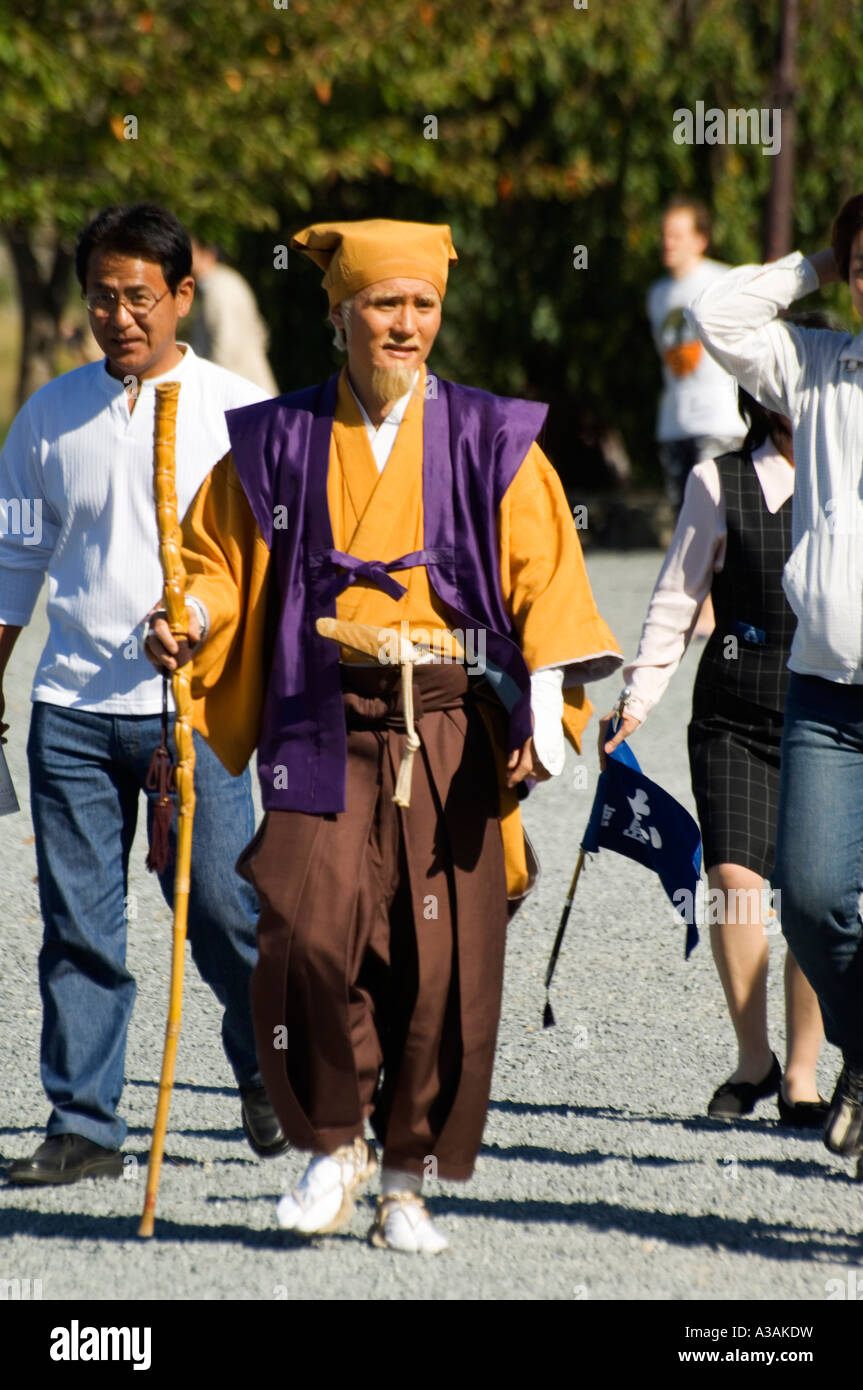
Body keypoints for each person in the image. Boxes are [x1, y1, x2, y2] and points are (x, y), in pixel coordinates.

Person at [146, 217, 622, 1251]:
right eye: (382, 305)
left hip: (447, 726)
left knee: (438, 958)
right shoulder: (276, 440)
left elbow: (547, 586)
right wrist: (188, 618)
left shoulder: (490, 437)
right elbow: (217, 565)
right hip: (321, 716)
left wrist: (542, 710)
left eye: (421, 306)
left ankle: (403, 1175)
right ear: (338, 315)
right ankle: (332, 1142)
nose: (404, 325)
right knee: (303, 932)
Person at [0, 204, 286, 1186]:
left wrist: (211, 632)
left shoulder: (241, 412)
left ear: (181, 297)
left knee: (223, 910)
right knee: (79, 923)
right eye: (101, 299)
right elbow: (14, 561)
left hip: (194, 712)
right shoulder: (48, 414)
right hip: (72, 709)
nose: (120, 317)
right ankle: (84, 1125)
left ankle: (267, 1074)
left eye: (138, 297)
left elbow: (269, 570)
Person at [689, 191, 863, 1159]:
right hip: (824, 689)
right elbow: (716, 317)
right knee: (806, 896)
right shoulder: (817, 365)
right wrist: (820, 266)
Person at [600, 379, 826, 1126]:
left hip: (828, 719)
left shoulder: (852, 477)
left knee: (812, 896)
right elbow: (674, 596)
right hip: (731, 714)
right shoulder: (715, 480)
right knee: (732, 877)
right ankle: (751, 1060)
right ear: (766, 398)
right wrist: (635, 701)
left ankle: (800, 1074)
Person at [647, 197, 746, 514]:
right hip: (674, 422)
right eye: (664, 234)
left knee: (716, 518)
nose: (667, 242)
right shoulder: (657, 294)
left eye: (677, 235)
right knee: (683, 523)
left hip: (719, 419)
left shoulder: (723, 280)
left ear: (700, 240)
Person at [190, 239, 278, 395]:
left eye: (190, 251)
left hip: (240, 395)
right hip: (248, 387)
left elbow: (225, 344)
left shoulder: (219, 287)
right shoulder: (225, 281)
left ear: (207, 253)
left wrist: (212, 392)